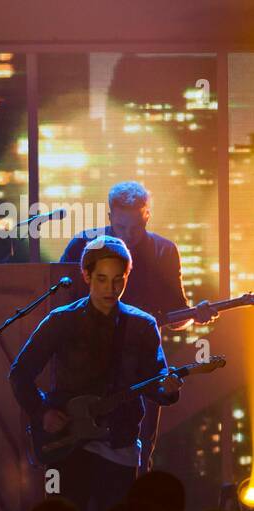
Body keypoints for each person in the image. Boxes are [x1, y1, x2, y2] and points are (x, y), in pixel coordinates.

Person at [11, 234, 183, 511]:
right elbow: (20, 373)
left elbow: (155, 379)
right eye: (102, 279)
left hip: (120, 442)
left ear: (127, 277)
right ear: (87, 275)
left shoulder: (142, 325)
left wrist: (167, 391)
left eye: (118, 279)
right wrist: (42, 412)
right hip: (68, 444)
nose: (111, 288)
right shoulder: (62, 320)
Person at [59, 181, 216, 472]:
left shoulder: (163, 251)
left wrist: (195, 314)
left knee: (139, 454)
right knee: (78, 454)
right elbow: (55, 301)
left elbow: (176, 316)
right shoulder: (83, 245)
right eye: (121, 228)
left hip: (141, 366)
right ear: (109, 218)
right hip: (84, 366)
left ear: (147, 216)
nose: (128, 236)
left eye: (135, 228)